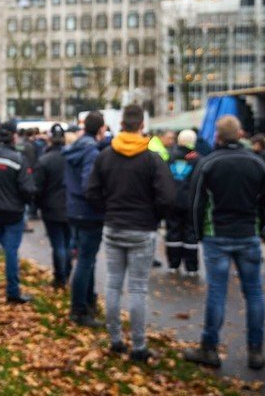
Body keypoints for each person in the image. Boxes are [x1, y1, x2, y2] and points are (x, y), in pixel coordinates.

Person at [86, 104, 174, 362]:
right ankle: (138, 346)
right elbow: (168, 197)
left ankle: (115, 340)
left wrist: (108, 209)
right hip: (142, 229)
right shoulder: (152, 158)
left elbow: (91, 192)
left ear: (122, 125)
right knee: (137, 289)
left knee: (113, 285)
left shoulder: (105, 155)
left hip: (114, 226)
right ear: (142, 126)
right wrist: (154, 217)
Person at [183, 115, 265, 370]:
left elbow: (196, 203)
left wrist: (199, 234)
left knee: (217, 292)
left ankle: (209, 348)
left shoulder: (209, 163)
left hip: (216, 234)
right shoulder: (257, 163)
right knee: (254, 292)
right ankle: (255, 350)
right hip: (247, 233)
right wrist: (260, 227)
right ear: (240, 135)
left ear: (217, 136)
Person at [0, 120, 36, 304]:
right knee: (11, 252)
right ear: (14, 136)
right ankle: (13, 292)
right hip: (13, 214)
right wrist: (26, 202)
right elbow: (27, 188)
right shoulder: (18, 160)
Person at [63, 111, 106, 328]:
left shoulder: (76, 147)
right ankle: (79, 309)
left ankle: (87, 302)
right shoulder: (91, 151)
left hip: (74, 209)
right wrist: (102, 204)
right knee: (86, 261)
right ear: (101, 129)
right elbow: (89, 185)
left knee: (86, 260)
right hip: (88, 212)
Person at [33, 124, 72, 288]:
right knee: (67, 242)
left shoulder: (45, 160)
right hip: (70, 206)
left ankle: (60, 277)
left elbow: (38, 187)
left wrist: (37, 206)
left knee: (58, 244)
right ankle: (65, 273)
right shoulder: (71, 157)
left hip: (51, 207)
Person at [165, 129, 201, 276]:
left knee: (173, 232)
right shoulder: (198, 159)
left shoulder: (170, 157)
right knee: (190, 234)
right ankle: (191, 268)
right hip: (191, 202)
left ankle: (173, 265)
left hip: (172, 201)